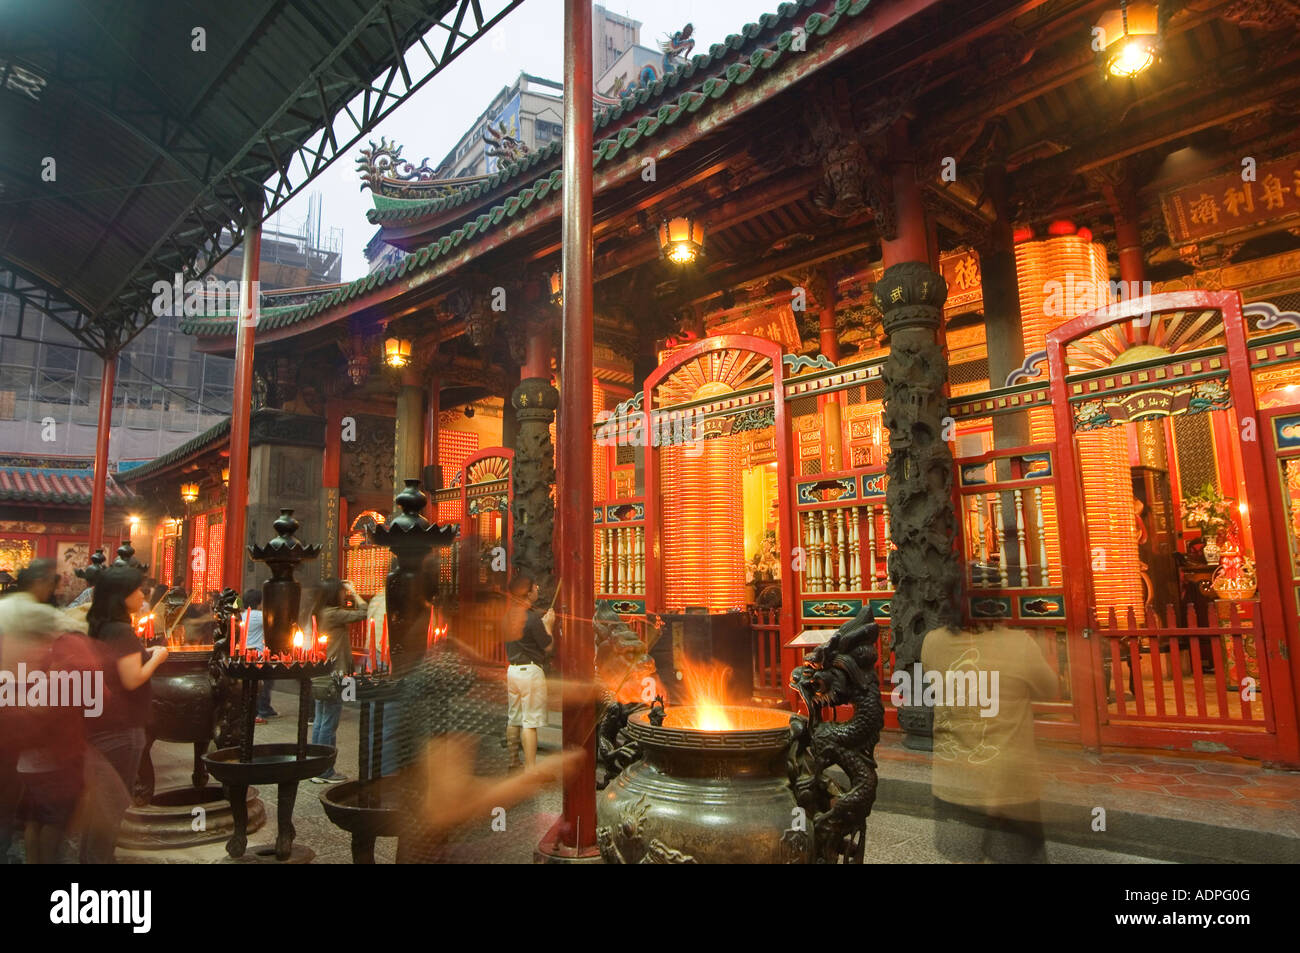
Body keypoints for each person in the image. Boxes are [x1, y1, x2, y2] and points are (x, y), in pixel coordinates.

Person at [922, 624, 1057, 864]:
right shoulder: (1019, 644)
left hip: (954, 781)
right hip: (1007, 784)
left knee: (962, 858)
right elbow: (1050, 689)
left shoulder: (933, 642)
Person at [80, 565, 169, 863]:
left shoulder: (100, 625)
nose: (143, 594)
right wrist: (157, 657)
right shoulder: (120, 631)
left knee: (100, 805)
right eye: (138, 590)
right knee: (111, 806)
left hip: (101, 722)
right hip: (122, 726)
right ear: (122, 596)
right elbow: (132, 679)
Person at [0, 560, 87, 861]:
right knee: (48, 810)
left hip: (12, 714)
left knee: (27, 805)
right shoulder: (31, 613)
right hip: (25, 717)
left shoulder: (6, 606)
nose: (54, 588)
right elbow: (76, 627)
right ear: (39, 582)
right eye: (52, 582)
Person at [309, 579, 365, 783]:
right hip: (334, 674)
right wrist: (355, 592)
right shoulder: (333, 613)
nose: (344, 595)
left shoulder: (321, 611)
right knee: (328, 723)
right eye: (342, 592)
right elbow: (364, 611)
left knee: (319, 721)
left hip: (322, 672)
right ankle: (325, 771)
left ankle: (316, 766)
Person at [502, 573, 554, 771]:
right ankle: (531, 770)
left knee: (513, 718)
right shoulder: (532, 619)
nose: (537, 589)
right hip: (530, 672)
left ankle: (514, 761)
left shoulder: (507, 616)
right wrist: (548, 626)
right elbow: (547, 647)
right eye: (534, 587)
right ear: (527, 592)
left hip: (513, 671)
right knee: (529, 723)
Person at [242, 589, 277, 722]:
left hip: (246, 653)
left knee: (254, 683)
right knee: (265, 683)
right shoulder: (258, 615)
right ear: (259, 602)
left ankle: (263, 708)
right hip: (259, 654)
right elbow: (274, 624)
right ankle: (262, 710)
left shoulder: (244, 615)